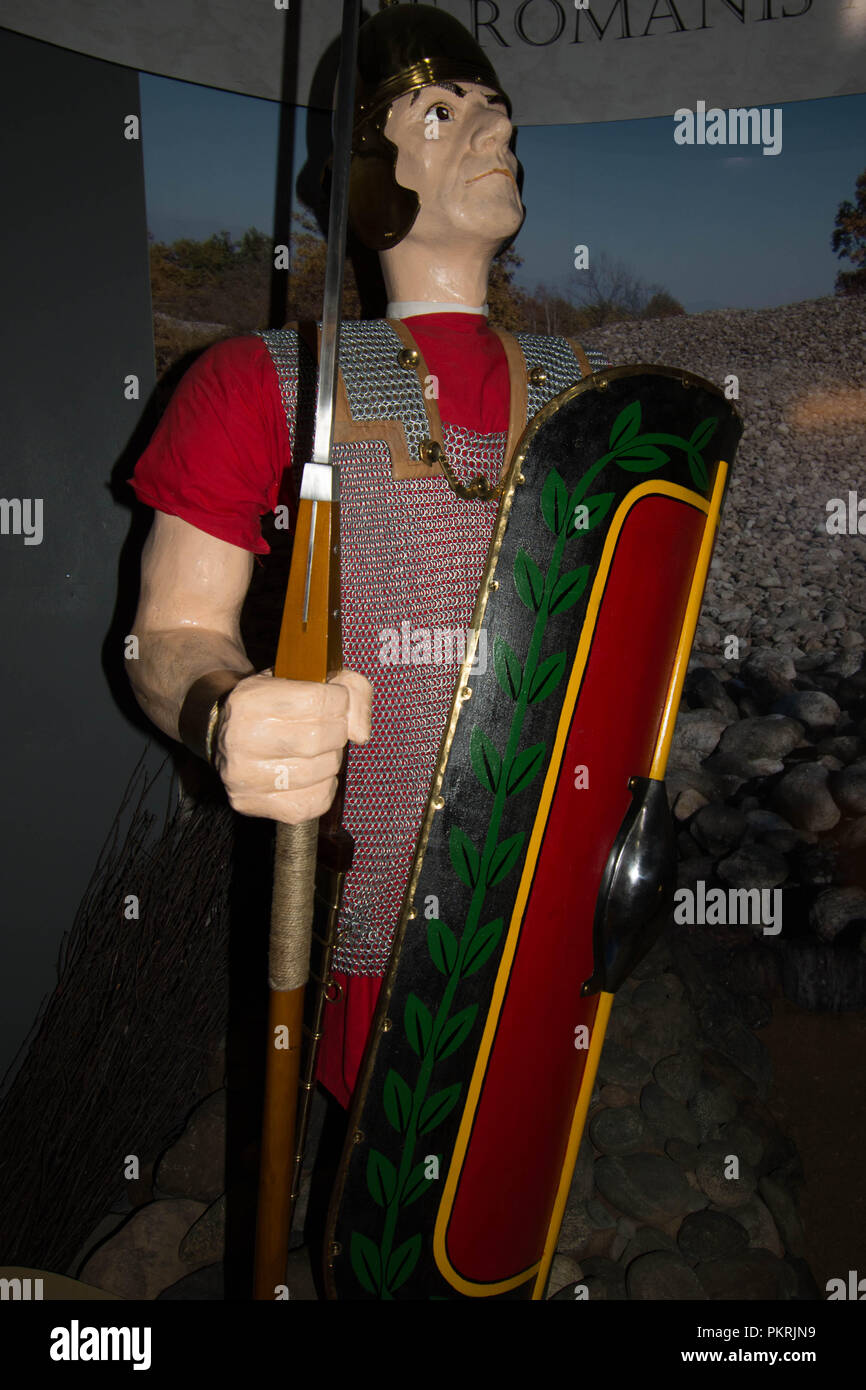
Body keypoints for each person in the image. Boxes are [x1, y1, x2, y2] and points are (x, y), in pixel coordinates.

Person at [127, 3, 609, 1108]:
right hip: (382, 872)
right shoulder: (267, 383)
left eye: (497, 112)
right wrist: (219, 709)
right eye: (443, 112)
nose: (494, 133)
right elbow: (169, 631)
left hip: (557, 871)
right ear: (368, 174)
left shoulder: (592, 395)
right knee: (383, 1165)